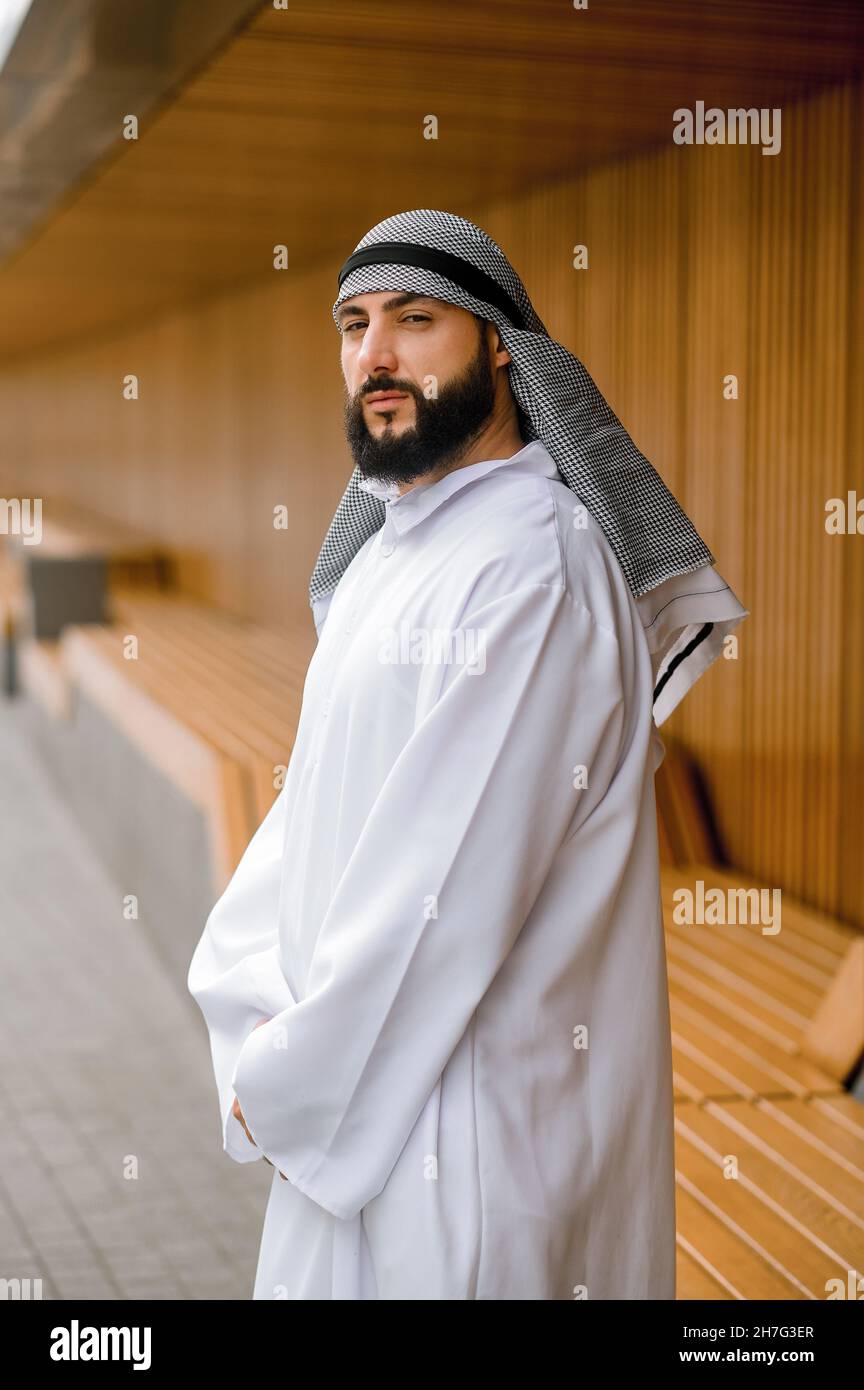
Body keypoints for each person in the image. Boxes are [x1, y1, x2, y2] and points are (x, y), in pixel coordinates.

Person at [187, 209, 748, 1300]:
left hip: (473, 1140)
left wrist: (291, 1082)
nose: (374, 355)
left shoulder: (532, 564)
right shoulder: (389, 555)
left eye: (415, 319)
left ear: (499, 344)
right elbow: (311, 815)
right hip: (353, 1095)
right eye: (353, 324)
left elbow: (438, 889)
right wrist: (251, 1024)